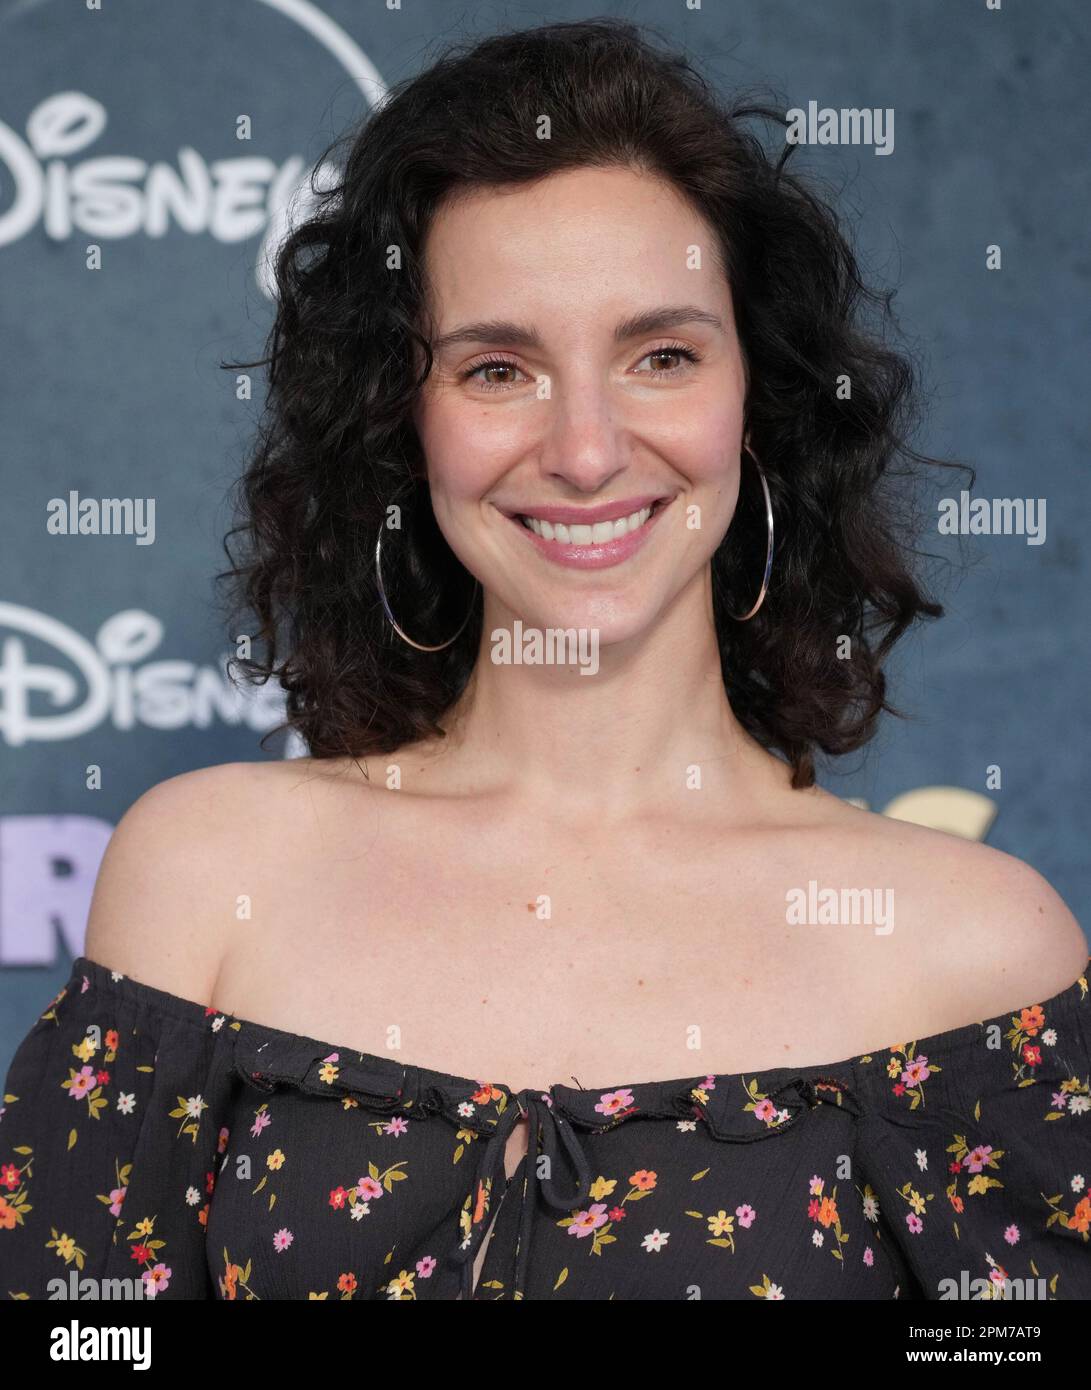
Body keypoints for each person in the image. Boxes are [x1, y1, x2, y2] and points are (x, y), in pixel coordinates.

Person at [2, 19, 1087, 1302]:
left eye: (660, 355)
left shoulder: (973, 948)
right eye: (498, 367)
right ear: (401, 421)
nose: (583, 449)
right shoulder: (205, 877)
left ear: (761, 400)